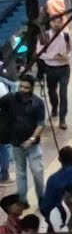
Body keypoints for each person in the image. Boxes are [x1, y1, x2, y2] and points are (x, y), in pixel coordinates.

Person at [1, 76, 47, 204]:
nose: (22, 89)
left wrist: (31, 139)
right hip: (16, 144)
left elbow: (41, 124)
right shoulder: (11, 98)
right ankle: (22, 199)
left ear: (32, 88)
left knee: (37, 172)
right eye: (21, 86)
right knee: (20, 173)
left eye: (26, 87)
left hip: (33, 146)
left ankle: (41, 198)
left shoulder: (37, 102)